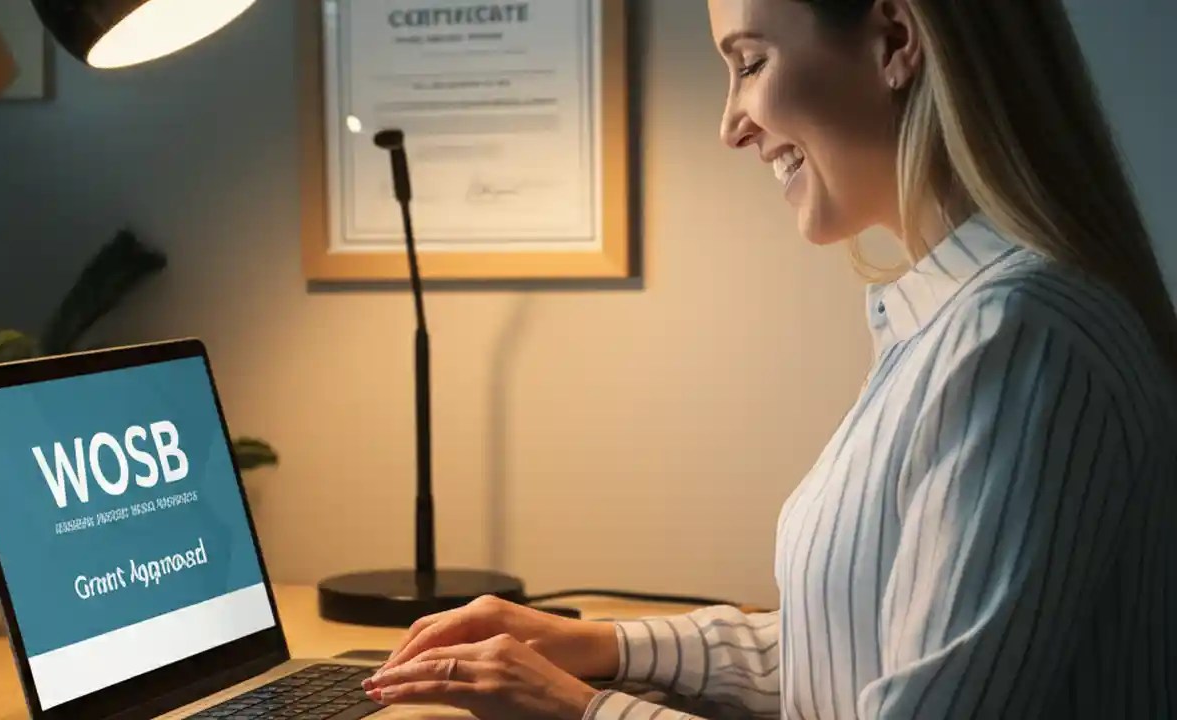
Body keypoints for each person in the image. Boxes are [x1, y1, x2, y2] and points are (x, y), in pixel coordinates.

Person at [360, 0, 1177, 717]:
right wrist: (597, 645)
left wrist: (579, 712)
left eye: (749, 63)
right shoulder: (955, 320)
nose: (731, 123)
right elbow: (852, 649)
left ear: (895, 39)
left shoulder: (1018, 341)